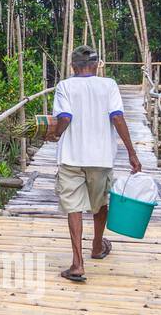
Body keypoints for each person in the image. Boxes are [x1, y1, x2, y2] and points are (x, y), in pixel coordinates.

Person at [46, 45, 141, 283]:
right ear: (98, 65)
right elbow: (117, 117)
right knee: (100, 204)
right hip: (101, 158)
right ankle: (97, 246)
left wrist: (56, 133)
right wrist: (131, 152)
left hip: (70, 157)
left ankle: (78, 264)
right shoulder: (108, 85)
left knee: (74, 207)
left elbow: (65, 117)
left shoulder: (64, 86)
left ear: (73, 67)